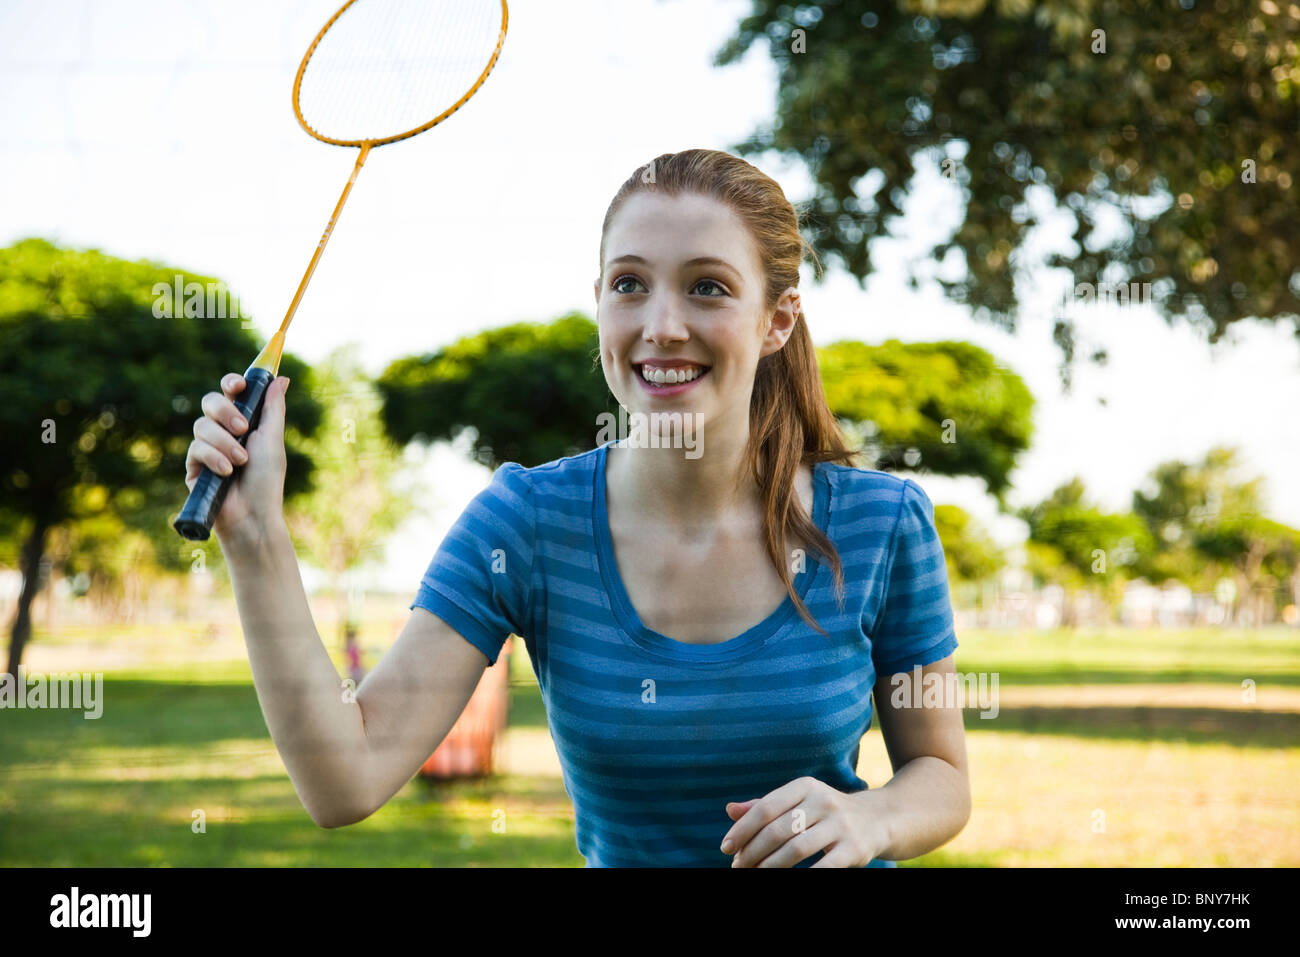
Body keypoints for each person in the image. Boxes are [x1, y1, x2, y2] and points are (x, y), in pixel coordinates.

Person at [185, 147, 970, 867]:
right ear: (599, 301)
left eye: (708, 287)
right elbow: (345, 779)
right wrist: (254, 538)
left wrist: (870, 819)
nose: (662, 327)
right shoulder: (524, 524)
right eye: (630, 284)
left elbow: (940, 774)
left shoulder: (883, 522)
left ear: (777, 319)